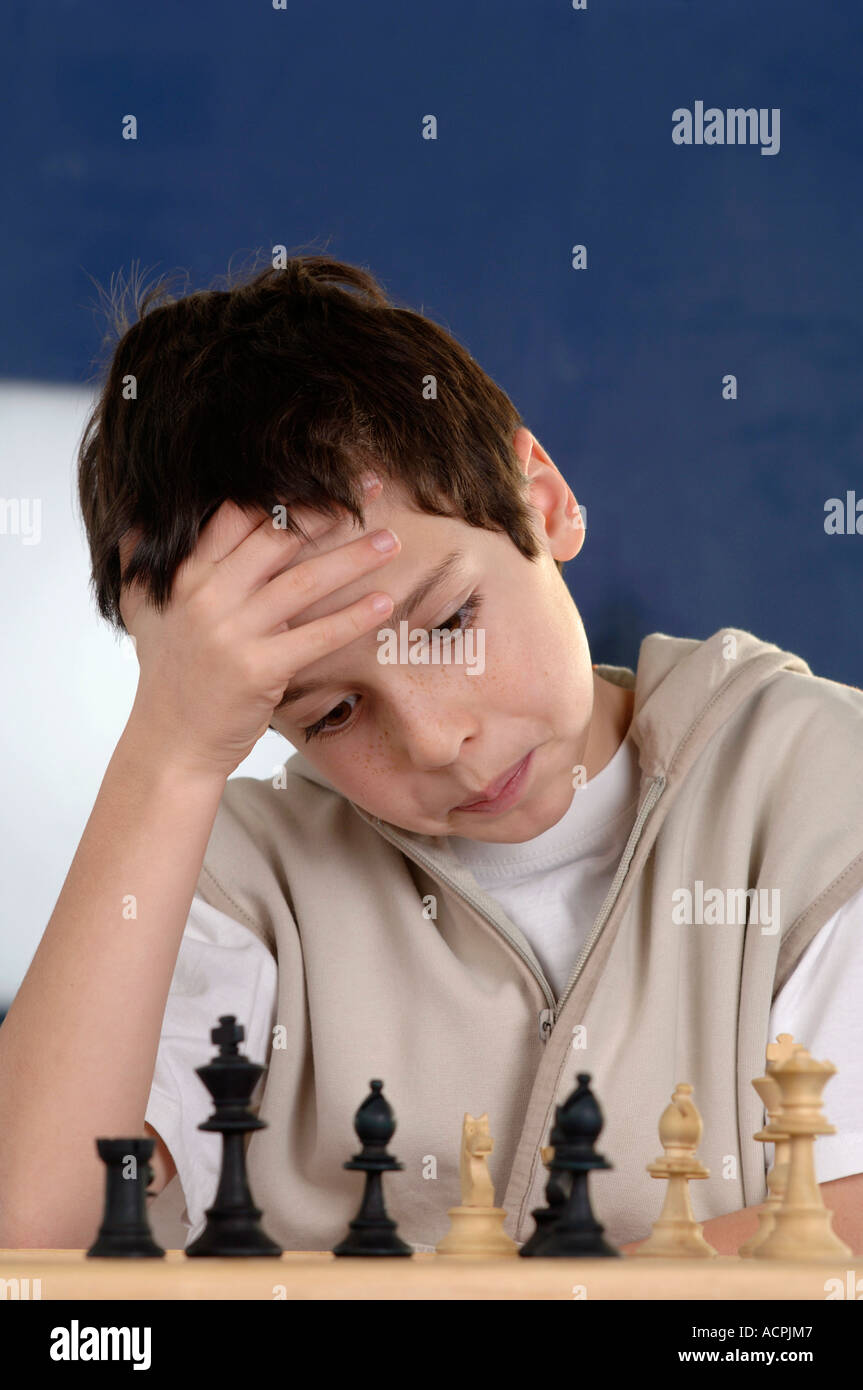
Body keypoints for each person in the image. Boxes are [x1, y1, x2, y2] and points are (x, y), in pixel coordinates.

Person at [1, 256, 861, 1254]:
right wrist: (169, 755)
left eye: (449, 620)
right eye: (328, 713)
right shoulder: (234, 886)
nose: (433, 737)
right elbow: (32, 1237)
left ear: (540, 496)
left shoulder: (818, 788)